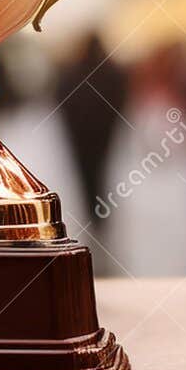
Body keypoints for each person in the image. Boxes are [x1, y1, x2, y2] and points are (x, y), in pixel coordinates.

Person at [55, 33, 129, 243]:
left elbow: (62, 98)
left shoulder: (73, 72)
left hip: (81, 136)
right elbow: (120, 99)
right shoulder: (111, 71)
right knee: (100, 172)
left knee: (86, 174)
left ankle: (94, 214)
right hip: (102, 134)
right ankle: (99, 215)